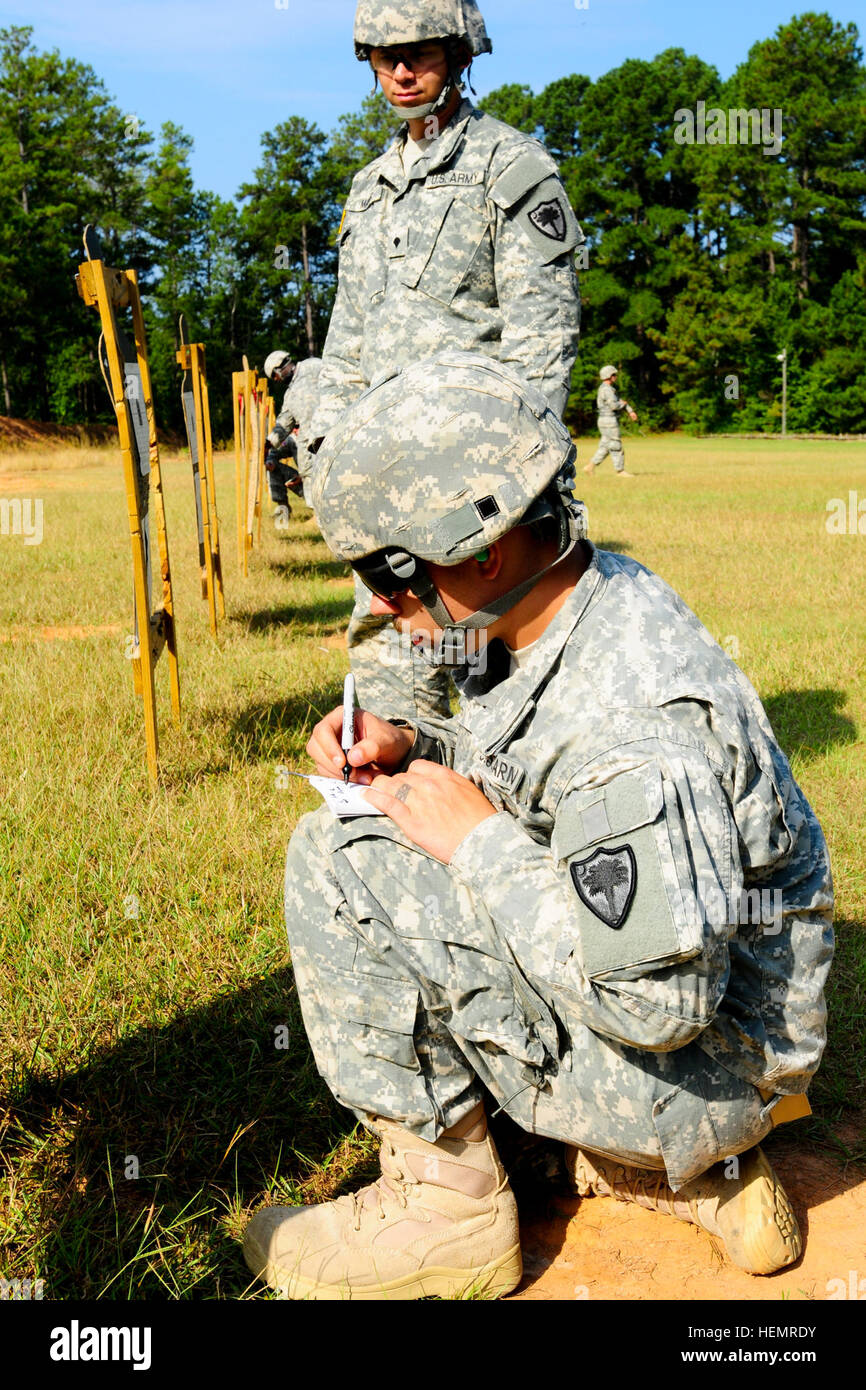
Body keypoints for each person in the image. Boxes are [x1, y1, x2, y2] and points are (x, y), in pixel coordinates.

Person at [243, 353, 834, 1301]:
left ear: (481, 550)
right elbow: (537, 771)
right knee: (394, 826)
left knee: (341, 857)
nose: (386, 610)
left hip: (700, 1066)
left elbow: (657, 1009)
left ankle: (452, 1216)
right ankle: (662, 1172)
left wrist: (477, 842)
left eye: (388, 577)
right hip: (716, 1047)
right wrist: (410, 739)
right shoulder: (561, 600)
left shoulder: (632, 729)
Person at [306, 0, 584, 722]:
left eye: (421, 52)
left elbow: (543, 340)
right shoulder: (368, 191)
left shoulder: (511, 168)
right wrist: (327, 452)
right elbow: (347, 342)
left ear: (460, 57)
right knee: (392, 705)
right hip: (387, 491)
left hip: (488, 496)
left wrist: (517, 490)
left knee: (518, 699)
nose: (401, 70)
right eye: (384, 55)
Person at [263, 353, 322, 524]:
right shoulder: (289, 396)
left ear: (279, 367)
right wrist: (269, 442)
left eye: (275, 376)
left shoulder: (313, 366)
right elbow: (284, 422)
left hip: (332, 431)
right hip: (310, 448)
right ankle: (319, 516)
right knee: (312, 477)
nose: (276, 380)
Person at [584, 364, 637, 478]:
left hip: (605, 420)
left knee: (605, 446)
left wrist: (629, 410)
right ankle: (620, 471)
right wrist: (624, 404)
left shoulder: (607, 389)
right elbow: (614, 405)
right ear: (609, 376)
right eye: (614, 375)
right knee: (616, 445)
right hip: (609, 421)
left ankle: (590, 466)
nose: (615, 377)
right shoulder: (607, 390)